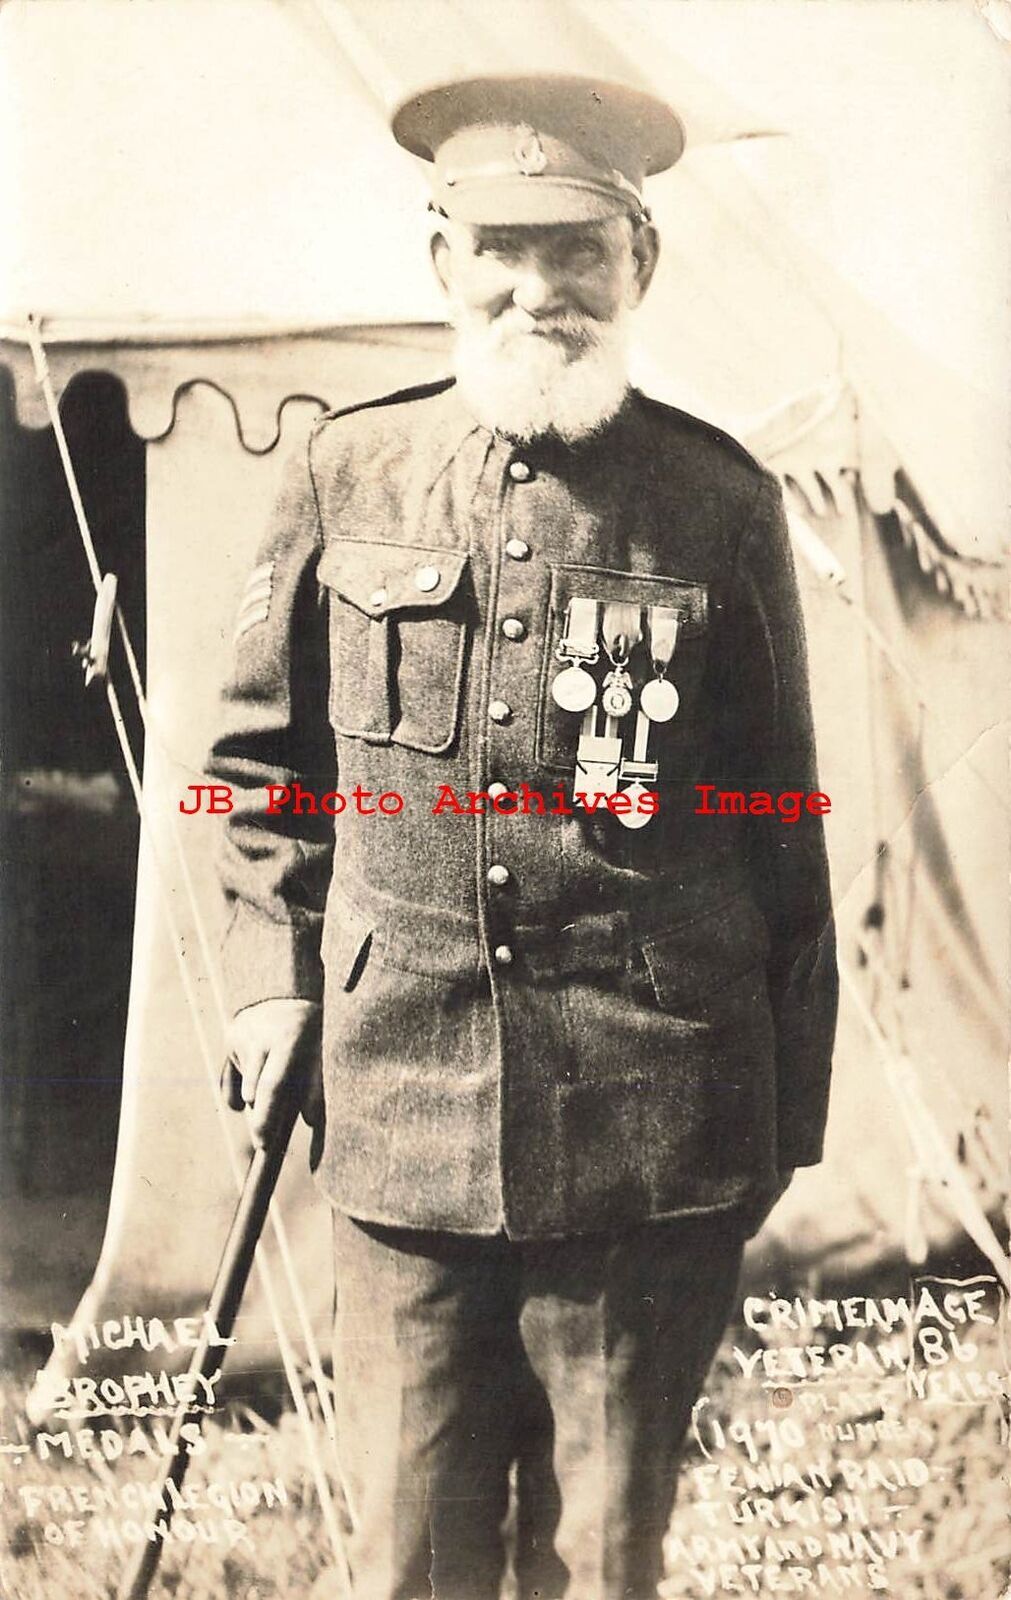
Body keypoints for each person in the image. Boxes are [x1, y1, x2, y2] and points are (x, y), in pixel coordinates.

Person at [209, 73, 838, 1600]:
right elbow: (248, 770)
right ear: (443, 260)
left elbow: (778, 819)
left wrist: (774, 1131)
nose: (538, 288)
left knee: (601, 1563)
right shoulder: (338, 473)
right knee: (409, 1560)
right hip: (397, 1120)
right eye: (502, 246)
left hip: (649, 1133)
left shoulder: (716, 500)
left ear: (640, 266)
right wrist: (263, 982)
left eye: (579, 252)